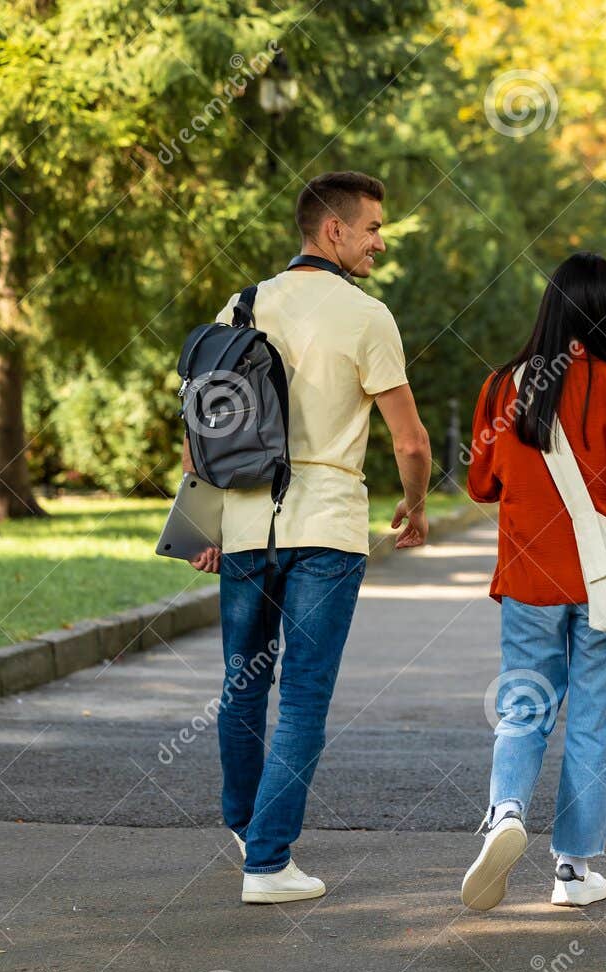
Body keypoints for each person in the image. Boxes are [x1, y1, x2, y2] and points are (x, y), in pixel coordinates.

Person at [187, 171, 432, 904]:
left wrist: (206, 521)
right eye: (373, 229)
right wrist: (415, 506)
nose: (380, 243)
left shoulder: (241, 305)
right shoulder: (366, 315)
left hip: (244, 521)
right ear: (334, 231)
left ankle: (247, 829)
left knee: (242, 685)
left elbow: (206, 425)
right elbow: (411, 441)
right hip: (325, 525)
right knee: (302, 698)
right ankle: (267, 863)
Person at [461, 252, 606, 912]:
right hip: (602, 584)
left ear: (549, 309)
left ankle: (505, 814)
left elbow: (480, 484)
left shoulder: (502, 388)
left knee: (523, 709)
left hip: (528, 579)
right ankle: (574, 872)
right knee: (592, 720)